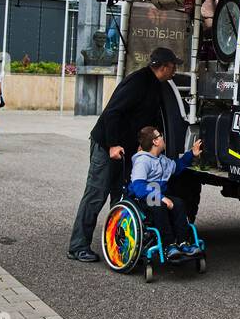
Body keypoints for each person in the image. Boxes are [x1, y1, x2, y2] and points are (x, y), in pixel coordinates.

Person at [67, 46, 180, 263]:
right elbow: (112, 112)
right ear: (164, 67)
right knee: (96, 194)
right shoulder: (138, 82)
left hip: (126, 151)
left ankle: (118, 246)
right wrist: (113, 145)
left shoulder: (157, 85)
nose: (174, 71)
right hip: (108, 146)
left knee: (120, 195)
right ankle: (78, 245)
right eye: (173, 66)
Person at [129, 127, 203, 261]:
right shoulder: (142, 161)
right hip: (142, 198)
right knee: (160, 207)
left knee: (179, 203)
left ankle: (183, 242)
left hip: (157, 195)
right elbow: (139, 187)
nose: (163, 137)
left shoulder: (162, 160)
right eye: (160, 136)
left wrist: (192, 153)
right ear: (156, 142)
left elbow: (177, 166)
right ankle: (168, 245)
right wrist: (161, 198)